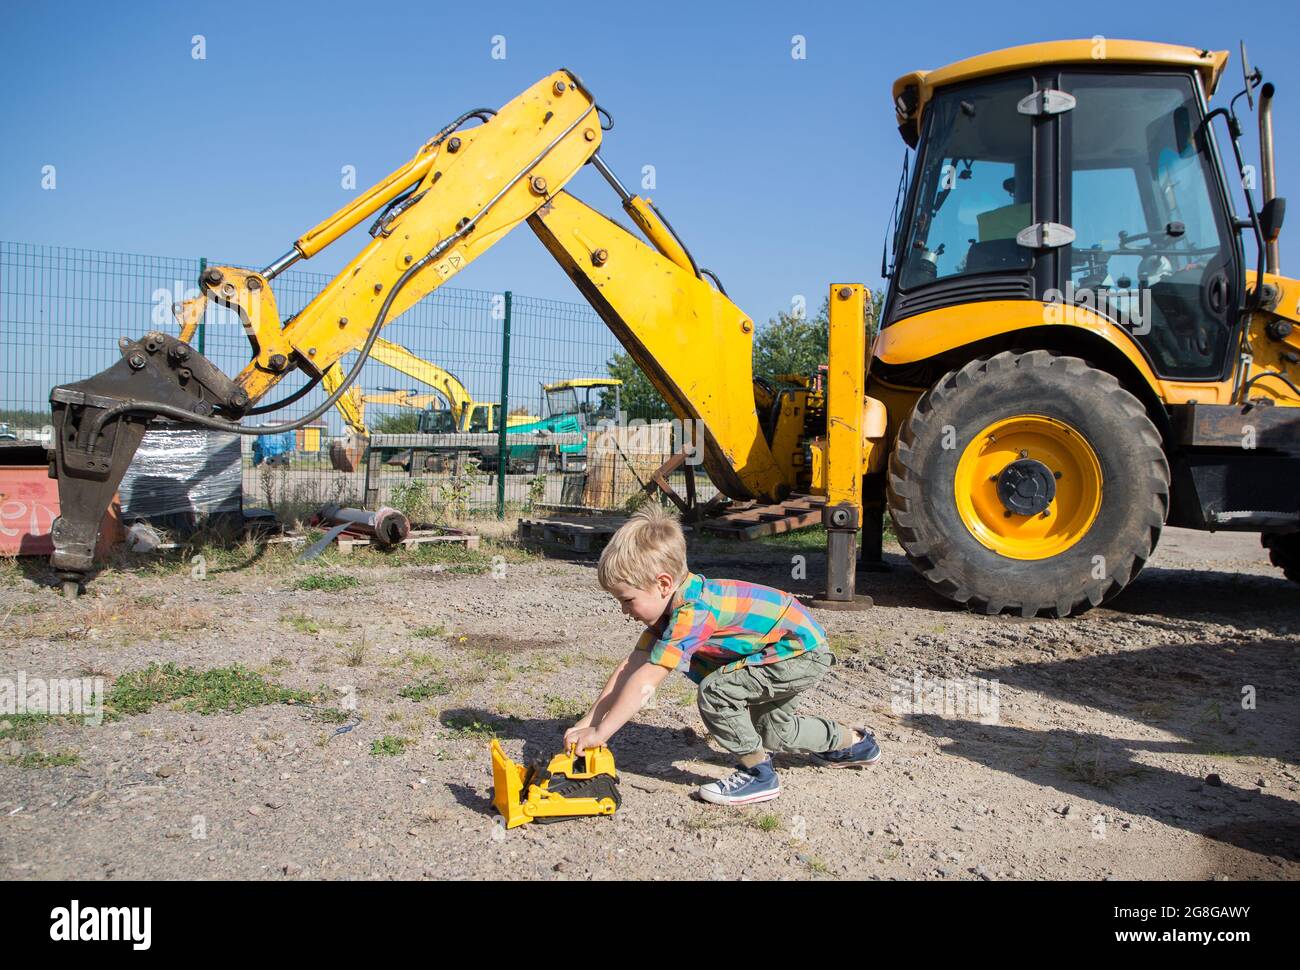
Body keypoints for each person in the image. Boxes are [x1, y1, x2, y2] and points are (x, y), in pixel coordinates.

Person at [564, 503, 881, 806]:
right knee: (775, 732)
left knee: (716, 691)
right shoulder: (670, 613)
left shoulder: (692, 613)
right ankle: (854, 743)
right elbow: (628, 669)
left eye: (627, 600)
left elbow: (647, 679)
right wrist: (587, 723)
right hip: (788, 648)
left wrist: (602, 733)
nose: (624, 611)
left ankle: (758, 774)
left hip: (799, 652)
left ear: (662, 584)